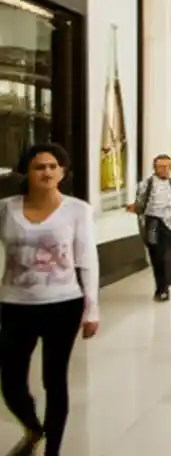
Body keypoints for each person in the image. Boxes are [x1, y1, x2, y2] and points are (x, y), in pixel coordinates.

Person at [0, 143, 99, 456]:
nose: (46, 172)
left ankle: (52, 449)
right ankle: (33, 426)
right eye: (38, 167)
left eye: (52, 166)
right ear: (26, 172)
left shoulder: (77, 210)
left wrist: (91, 308)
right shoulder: (6, 208)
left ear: (62, 172)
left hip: (63, 304)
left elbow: (87, 260)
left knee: (54, 379)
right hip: (15, 304)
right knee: (11, 380)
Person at [127, 154, 171, 302]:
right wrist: (134, 208)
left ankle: (165, 286)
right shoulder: (146, 184)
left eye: (167, 166)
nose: (164, 169)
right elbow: (140, 203)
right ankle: (160, 285)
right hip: (153, 223)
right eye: (160, 167)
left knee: (166, 254)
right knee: (155, 253)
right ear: (155, 168)